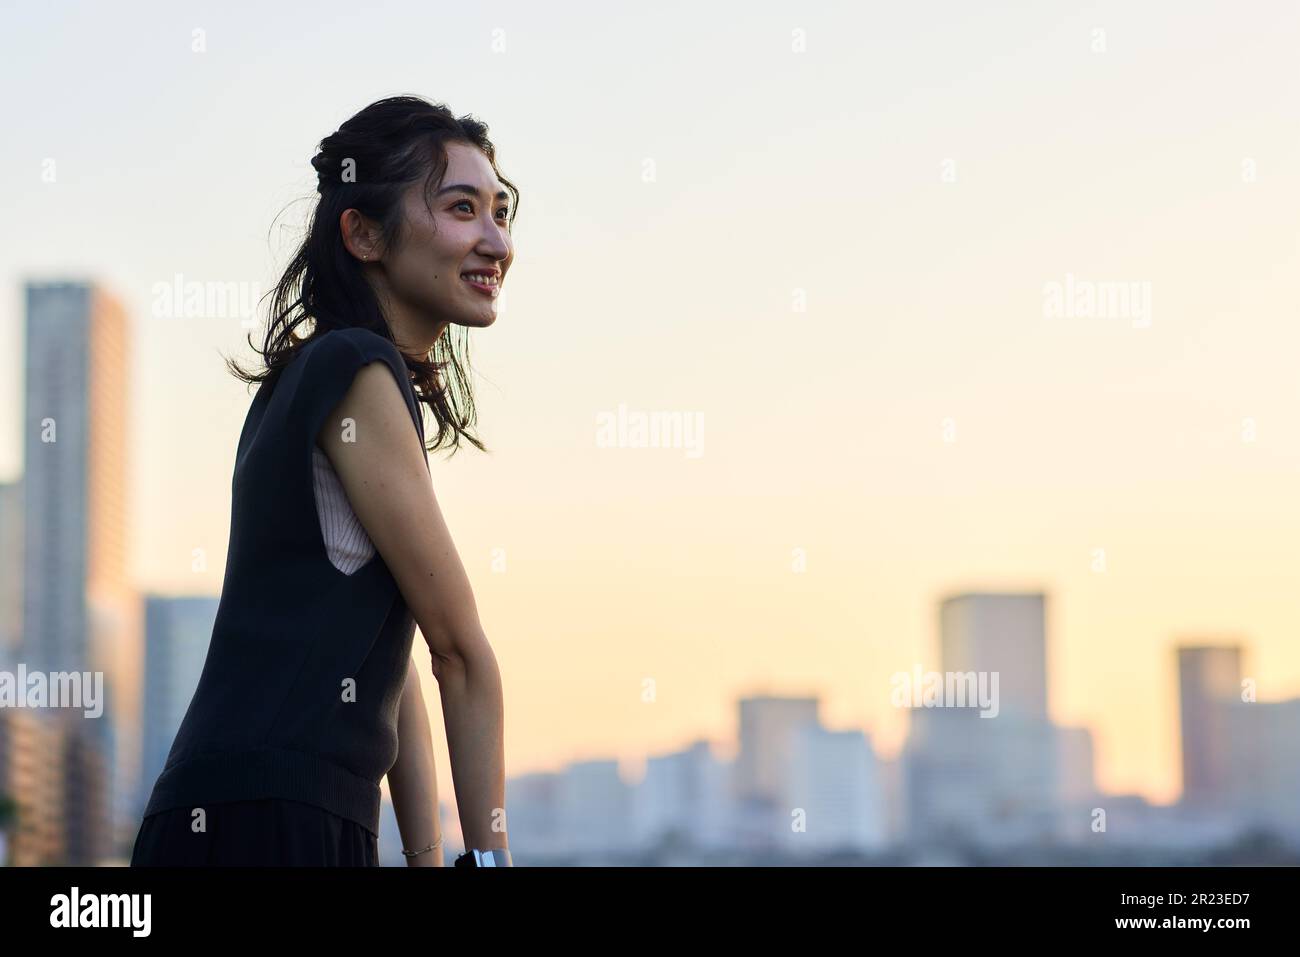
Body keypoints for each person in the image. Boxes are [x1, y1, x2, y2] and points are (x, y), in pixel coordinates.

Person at [131, 95, 515, 867]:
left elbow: (392, 663)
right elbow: (459, 654)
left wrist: (428, 857)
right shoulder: (355, 370)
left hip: (228, 812)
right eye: (462, 208)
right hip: (276, 822)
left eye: (501, 212)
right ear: (364, 233)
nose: (495, 240)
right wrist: (494, 862)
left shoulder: (303, 381)